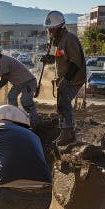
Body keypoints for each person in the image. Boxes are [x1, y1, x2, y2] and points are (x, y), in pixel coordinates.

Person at [40, 11, 86, 145]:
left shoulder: (69, 39)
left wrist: (66, 80)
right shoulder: (60, 41)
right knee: (61, 105)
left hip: (73, 78)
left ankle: (67, 134)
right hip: (66, 78)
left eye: (51, 29)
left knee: (64, 104)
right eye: (48, 29)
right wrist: (51, 59)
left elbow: (75, 62)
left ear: (60, 27)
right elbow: (63, 59)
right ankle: (66, 132)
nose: (49, 32)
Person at [0, 42, 39, 126]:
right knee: (11, 97)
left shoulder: (3, 61)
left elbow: (4, 79)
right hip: (19, 83)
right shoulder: (3, 60)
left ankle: (35, 122)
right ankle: (15, 118)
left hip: (28, 81)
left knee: (25, 100)